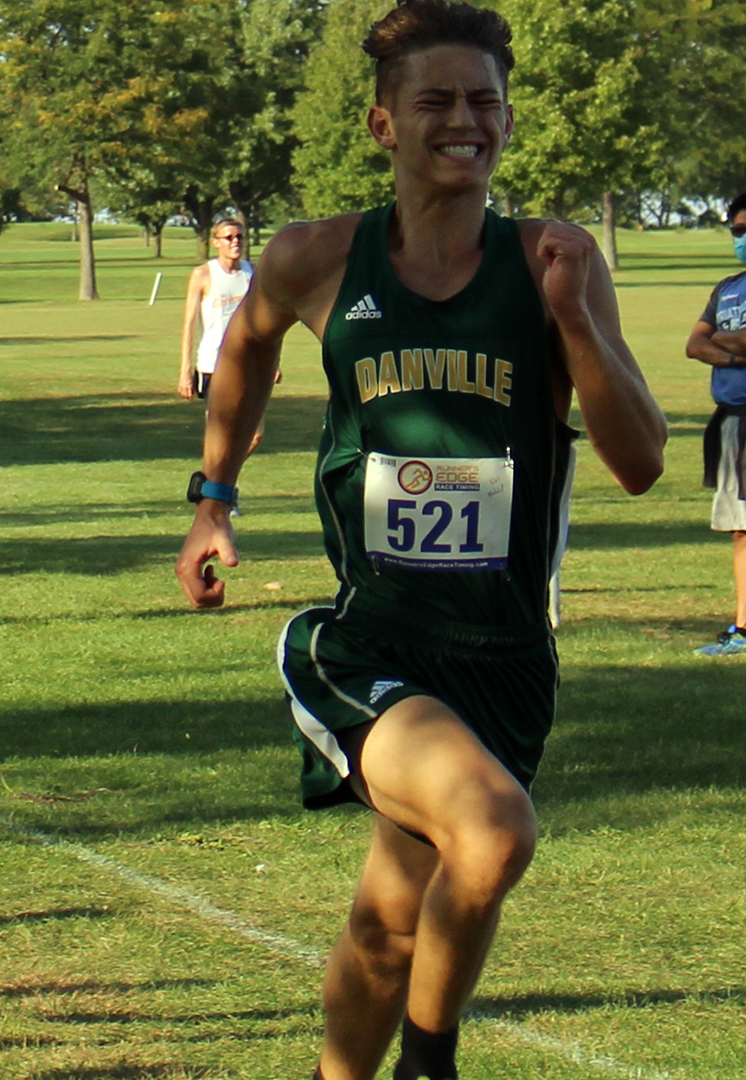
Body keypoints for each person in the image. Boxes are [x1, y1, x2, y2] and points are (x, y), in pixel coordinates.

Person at [172, 4, 665, 1079]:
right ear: (383, 122)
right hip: (370, 642)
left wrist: (574, 320)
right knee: (493, 835)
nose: (463, 121)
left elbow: (640, 462)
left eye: (484, 102)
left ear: (507, 117)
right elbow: (246, 351)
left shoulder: (551, 259)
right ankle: (428, 1068)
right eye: (435, 100)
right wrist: (215, 496)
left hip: (505, 655)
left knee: (394, 917)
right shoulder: (314, 257)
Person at [180, 219, 273, 453]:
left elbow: (265, 322)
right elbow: (189, 324)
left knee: (255, 434)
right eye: (229, 237)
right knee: (219, 431)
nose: (236, 242)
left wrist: (273, 362)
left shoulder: (253, 273)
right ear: (216, 242)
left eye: (240, 236)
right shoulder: (203, 274)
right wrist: (185, 372)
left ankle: (223, 479)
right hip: (214, 363)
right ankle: (211, 482)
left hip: (249, 362)